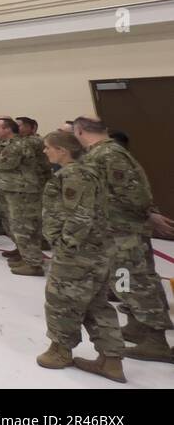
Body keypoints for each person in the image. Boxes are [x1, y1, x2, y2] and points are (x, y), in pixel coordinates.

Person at [73, 116, 173, 362]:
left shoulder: (106, 155)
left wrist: (148, 214)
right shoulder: (108, 152)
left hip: (121, 232)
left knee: (133, 282)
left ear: (79, 131)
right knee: (126, 281)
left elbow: (133, 193)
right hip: (116, 229)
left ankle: (155, 341)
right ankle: (137, 325)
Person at [36, 130, 126, 382]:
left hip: (78, 252)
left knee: (61, 300)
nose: (45, 151)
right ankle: (111, 360)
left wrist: (65, 245)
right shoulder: (90, 171)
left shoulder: (74, 174)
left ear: (62, 151)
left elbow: (80, 215)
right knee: (96, 305)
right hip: (97, 249)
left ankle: (60, 350)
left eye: (48, 147)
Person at [0, 117, 44, 276]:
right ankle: (23, 253)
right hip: (6, 187)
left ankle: (33, 264)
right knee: (12, 223)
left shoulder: (18, 144)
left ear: (7, 129)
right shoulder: (2, 144)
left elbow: (2, 164)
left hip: (21, 190)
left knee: (24, 226)